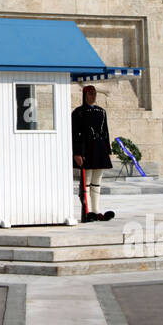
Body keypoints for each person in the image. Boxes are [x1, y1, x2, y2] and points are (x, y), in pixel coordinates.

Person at [71, 85, 115, 222]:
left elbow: (105, 132)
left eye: (94, 94)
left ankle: (96, 210)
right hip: (86, 150)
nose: (93, 96)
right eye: (90, 94)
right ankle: (87, 211)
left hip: (99, 148)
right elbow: (75, 135)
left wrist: (107, 150)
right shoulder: (78, 112)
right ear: (85, 95)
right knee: (87, 182)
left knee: (97, 182)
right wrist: (77, 153)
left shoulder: (101, 112)